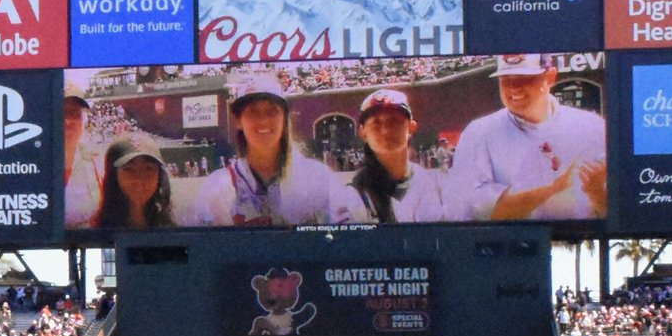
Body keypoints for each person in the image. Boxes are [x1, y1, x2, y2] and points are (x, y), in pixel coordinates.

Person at [454, 53, 608, 220]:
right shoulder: (478, 133)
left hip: (581, 241)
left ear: (550, 77)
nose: (514, 88)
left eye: (524, 78)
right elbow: (474, 211)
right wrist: (554, 187)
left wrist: (598, 194)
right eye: (505, 80)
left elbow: (620, 212)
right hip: (510, 243)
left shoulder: (593, 125)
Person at [192, 73, 348, 228]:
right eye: (253, 112)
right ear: (239, 120)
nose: (263, 121)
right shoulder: (217, 187)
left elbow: (349, 238)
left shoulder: (318, 177)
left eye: (272, 111)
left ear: (285, 118)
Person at [343, 89, 463, 223]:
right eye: (376, 124)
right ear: (363, 132)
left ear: (411, 127)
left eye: (394, 122)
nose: (385, 131)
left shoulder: (437, 185)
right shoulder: (354, 195)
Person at [94, 141, 175, 229]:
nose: (139, 178)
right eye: (129, 169)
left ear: (160, 176)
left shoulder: (177, 232)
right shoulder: (91, 233)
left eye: (148, 168)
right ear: (113, 176)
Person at [61, 94, 106, 229]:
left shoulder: (96, 161)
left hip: (92, 243)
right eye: (62, 114)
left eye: (75, 114)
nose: (68, 121)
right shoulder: (33, 161)